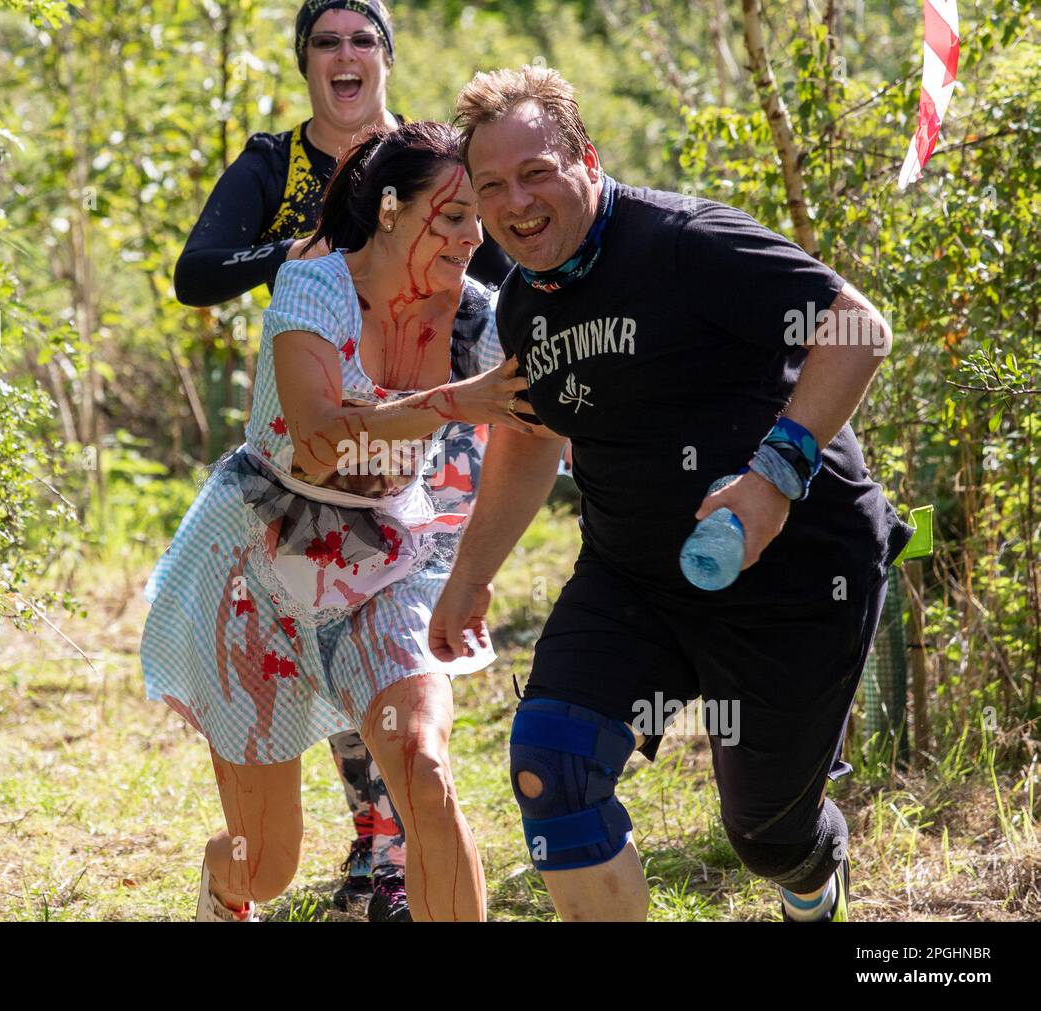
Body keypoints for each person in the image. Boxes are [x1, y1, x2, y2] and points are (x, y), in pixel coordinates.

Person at [430, 66, 913, 922]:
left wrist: (771, 477)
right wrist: (469, 576)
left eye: (537, 171)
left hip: (794, 572)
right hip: (633, 579)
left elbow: (855, 328)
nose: (518, 202)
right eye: (494, 185)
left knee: (768, 835)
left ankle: (811, 874)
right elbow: (531, 435)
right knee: (553, 765)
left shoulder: (686, 242)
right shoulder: (522, 307)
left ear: (588, 157)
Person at [143, 120, 534, 922]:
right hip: (257, 562)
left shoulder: (480, 317)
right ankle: (224, 888)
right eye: (453, 214)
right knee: (267, 864)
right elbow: (319, 441)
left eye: (478, 217)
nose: (473, 235)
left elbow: (545, 422)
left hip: (383, 559)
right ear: (391, 208)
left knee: (424, 772)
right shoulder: (316, 286)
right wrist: (453, 403)